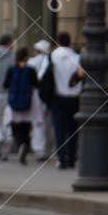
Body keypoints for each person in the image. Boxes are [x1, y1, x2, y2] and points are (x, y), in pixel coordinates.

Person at [46, 31, 85, 169]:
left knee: (59, 129)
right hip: (74, 98)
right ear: (70, 42)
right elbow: (82, 75)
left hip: (58, 98)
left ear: (58, 41)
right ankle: (71, 157)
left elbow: (43, 76)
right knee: (73, 129)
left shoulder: (52, 56)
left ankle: (61, 158)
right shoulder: (78, 57)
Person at [4, 48, 38, 164]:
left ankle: (20, 145)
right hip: (28, 103)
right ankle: (25, 145)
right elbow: (36, 84)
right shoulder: (31, 70)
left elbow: (5, 85)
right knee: (26, 128)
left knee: (15, 127)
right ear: (26, 58)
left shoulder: (11, 70)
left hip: (14, 103)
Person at [28, 40, 53, 159]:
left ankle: (39, 149)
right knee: (48, 123)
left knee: (38, 123)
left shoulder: (31, 62)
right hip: (49, 96)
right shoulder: (51, 61)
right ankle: (47, 149)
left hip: (36, 96)